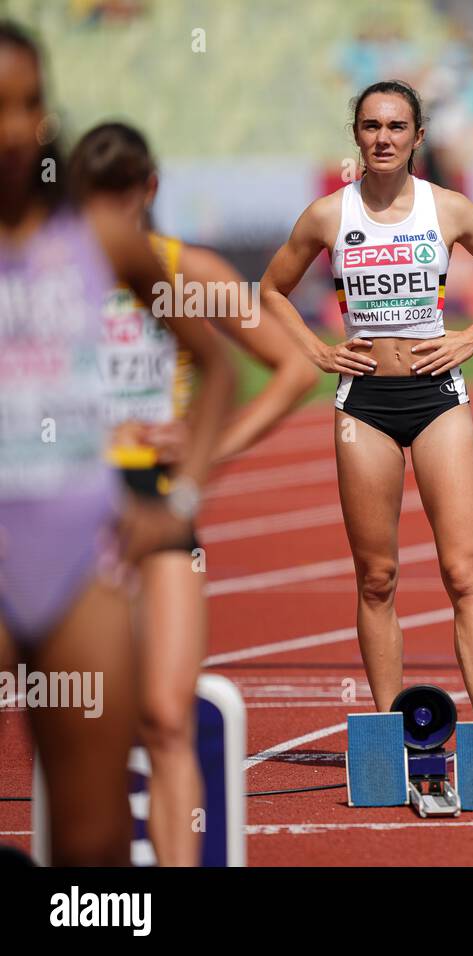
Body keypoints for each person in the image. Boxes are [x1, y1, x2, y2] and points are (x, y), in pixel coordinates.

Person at [0, 21, 233, 864]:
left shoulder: (99, 239)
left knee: (93, 836)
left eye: (30, 104)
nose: (16, 127)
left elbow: (217, 367)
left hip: (79, 563)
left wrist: (183, 500)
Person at [70, 121, 318, 865]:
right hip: (75, 507)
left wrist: (207, 452)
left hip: (158, 503)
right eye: (92, 198)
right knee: (84, 722)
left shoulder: (187, 269)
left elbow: (293, 369)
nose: (107, 213)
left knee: (167, 715)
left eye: (120, 195)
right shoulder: (51, 273)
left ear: (147, 191)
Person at [259, 80, 473, 716]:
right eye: (371, 126)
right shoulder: (329, 215)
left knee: (463, 573)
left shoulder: (449, 209)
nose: (383, 138)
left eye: (396, 127)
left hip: (438, 397)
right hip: (364, 406)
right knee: (377, 577)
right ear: (355, 134)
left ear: (418, 137)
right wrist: (317, 351)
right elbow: (272, 289)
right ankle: (389, 731)